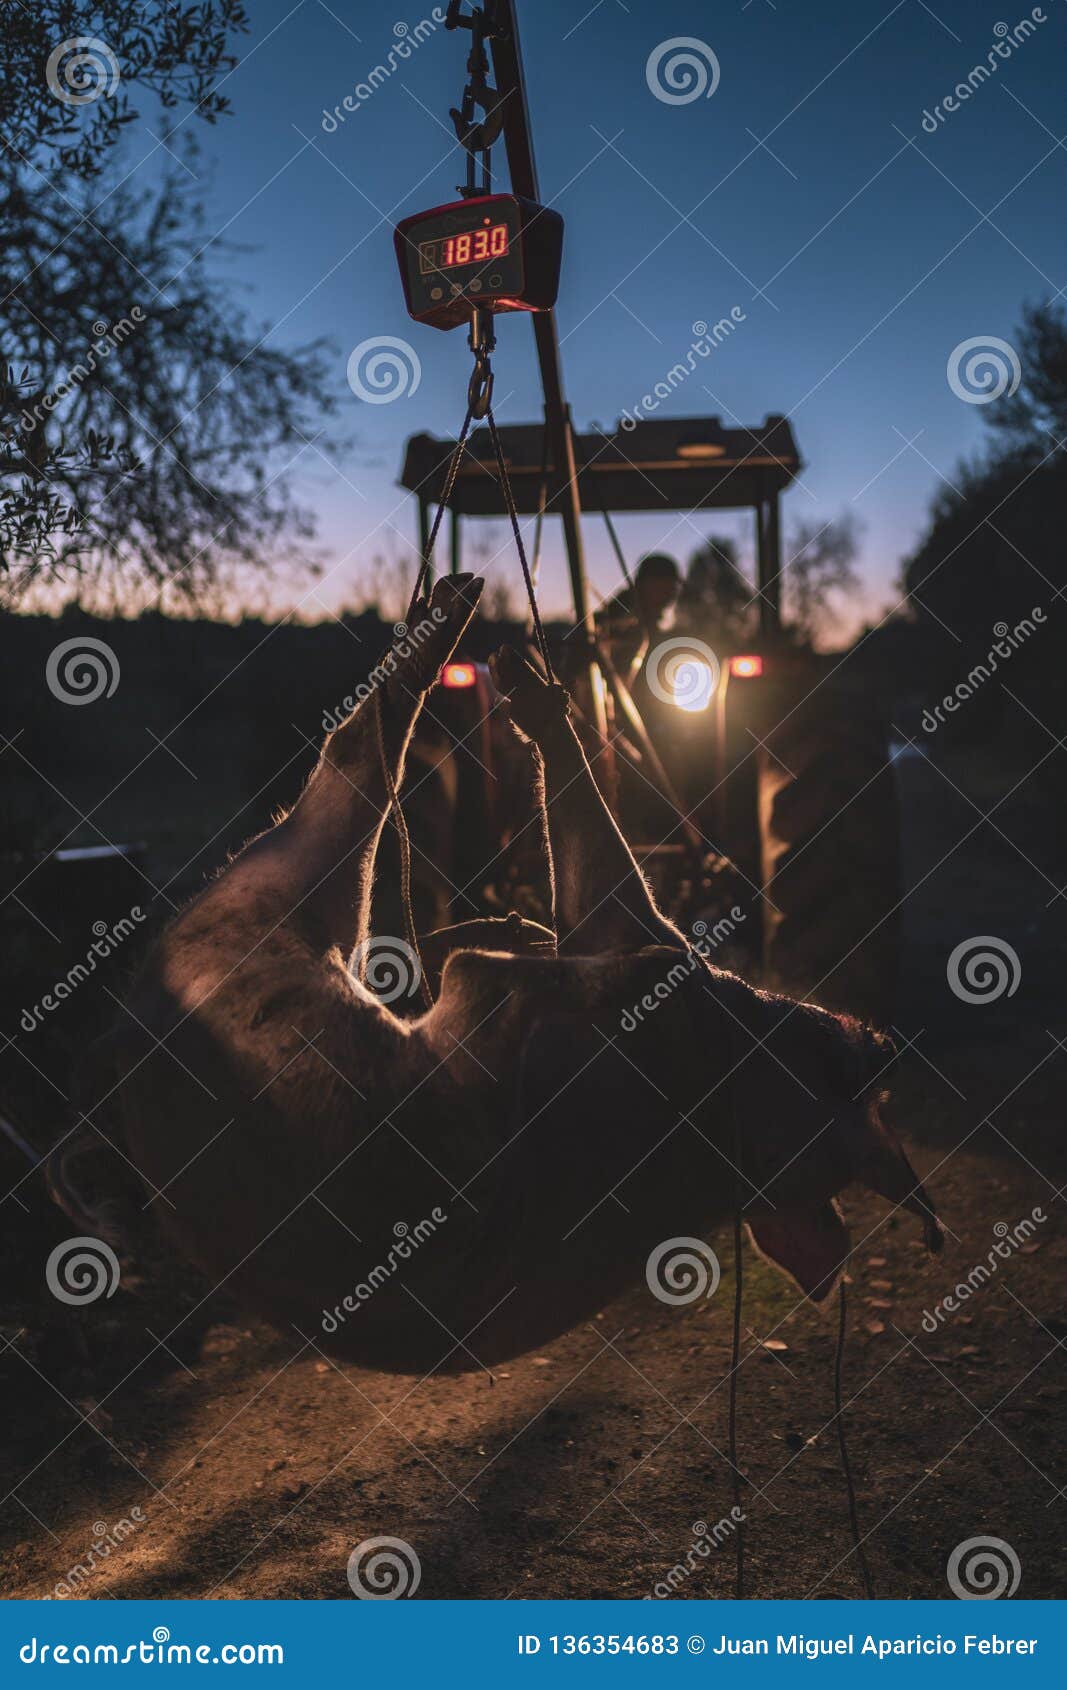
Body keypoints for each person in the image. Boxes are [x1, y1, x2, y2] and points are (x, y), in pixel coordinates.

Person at [595, 551, 680, 683]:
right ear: (644, 583)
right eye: (666, 583)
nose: (672, 591)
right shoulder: (620, 617)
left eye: (674, 585)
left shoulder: (652, 626)